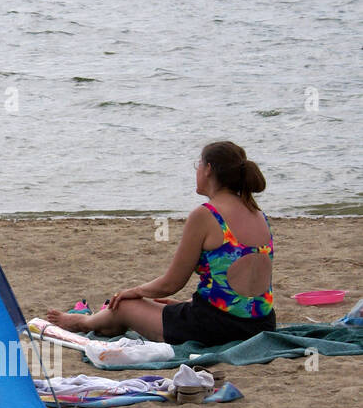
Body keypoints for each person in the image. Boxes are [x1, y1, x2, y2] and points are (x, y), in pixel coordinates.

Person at [45, 141, 275, 346]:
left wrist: (132, 292)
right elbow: (246, 284)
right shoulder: (257, 213)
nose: (197, 171)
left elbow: (171, 283)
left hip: (215, 328)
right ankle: (103, 320)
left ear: (208, 169)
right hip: (261, 324)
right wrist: (186, 303)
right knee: (165, 305)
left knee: (124, 306)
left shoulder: (206, 215)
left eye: (198, 165)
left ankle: (83, 322)